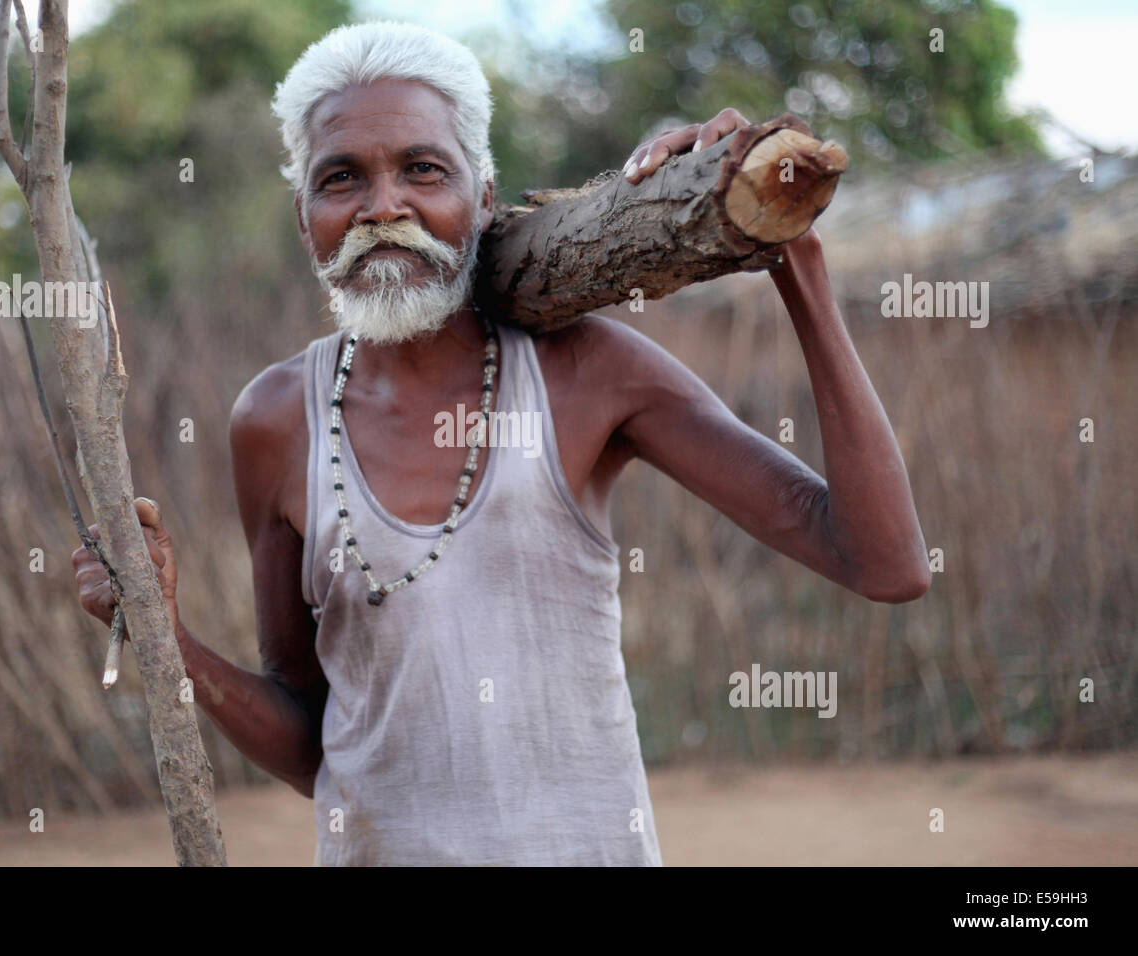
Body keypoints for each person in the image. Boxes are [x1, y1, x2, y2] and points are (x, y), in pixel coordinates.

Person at [72, 21, 930, 866]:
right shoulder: (274, 420)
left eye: (423, 169)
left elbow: (887, 565)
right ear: (306, 220)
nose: (384, 208)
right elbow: (316, 740)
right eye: (341, 180)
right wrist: (164, 635)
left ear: (482, 196)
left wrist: (793, 254)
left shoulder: (588, 372)